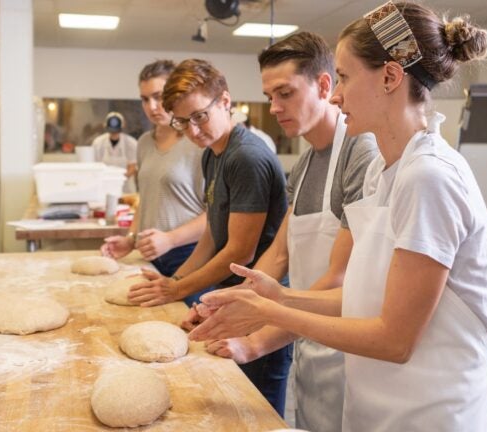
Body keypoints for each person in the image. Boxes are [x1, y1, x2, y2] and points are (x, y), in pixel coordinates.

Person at [188, 2, 487, 431]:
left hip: (430, 412)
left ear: (390, 77)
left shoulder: (429, 177)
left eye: (344, 77)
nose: (335, 95)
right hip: (377, 406)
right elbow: (364, 297)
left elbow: (395, 339)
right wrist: (277, 297)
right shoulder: (385, 171)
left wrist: (273, 314)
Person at [184, 32, 377, 431]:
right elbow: (279, 255)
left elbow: (338, 278)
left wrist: (255, 340)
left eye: (285, 93)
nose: (274, 107)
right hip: (306, 343)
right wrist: (221, 304)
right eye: (269, 96)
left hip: (350, 355)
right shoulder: (304, 166)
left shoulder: (361, 154)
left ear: (324, 85)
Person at [129, 58, 291, 416]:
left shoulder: (246, 157)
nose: (193, 130)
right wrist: (176, 281)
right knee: (228, 405)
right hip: (232, 298)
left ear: (225, 101)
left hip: (261, 306)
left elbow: (241, 252)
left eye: (199, 116)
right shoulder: (213, 154)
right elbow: (213, 235)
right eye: (182, 121)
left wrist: (177, 290)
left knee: (257, 412)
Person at [100, 60, 206, 279]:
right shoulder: (144, 143)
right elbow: (146, 200)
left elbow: (217, 215)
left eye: (158, 96)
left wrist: (170, 239)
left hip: (190, 254)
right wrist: (131, 239)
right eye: (145, 99)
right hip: (151, 254)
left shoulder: (198, 141)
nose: (152, 106)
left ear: (177, 93)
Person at [91, 112, 138, 193]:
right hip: (104, 186)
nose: (114, 133)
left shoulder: (131, 143)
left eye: (116, 130)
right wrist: (108, 180)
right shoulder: (98, 143)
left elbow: (132, 166)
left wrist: (117, 180)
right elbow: (95, 166)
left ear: (123, 126)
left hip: (126, 188)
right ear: (105, 126)